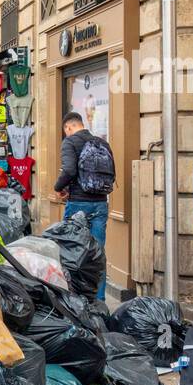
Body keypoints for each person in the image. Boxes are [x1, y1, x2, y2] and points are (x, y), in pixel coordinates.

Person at [54, 110, 115, 300]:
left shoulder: (70, 142)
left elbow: (69, 170)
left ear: (69, 127)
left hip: (78, 204)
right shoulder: (102, 143)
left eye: (66, 131)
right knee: (97, 255)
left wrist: (58, 187)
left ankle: (74, 299)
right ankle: (99, 301)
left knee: (70, 252)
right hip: (100, 205)